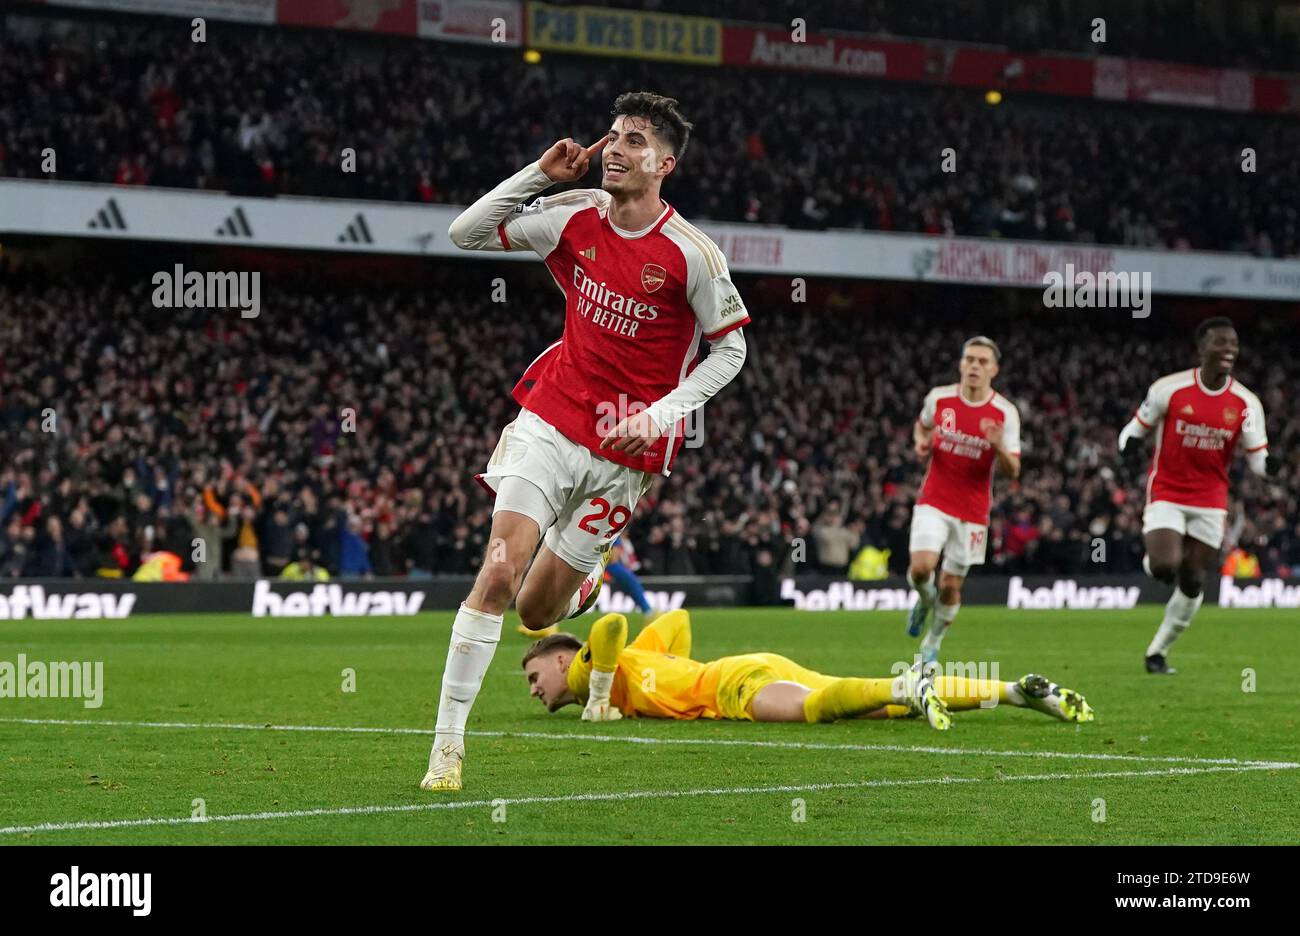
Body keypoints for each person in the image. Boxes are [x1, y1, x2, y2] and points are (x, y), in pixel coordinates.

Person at [423, 92, 751, 791]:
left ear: (664, 162)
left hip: (627, 456)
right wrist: (539, 176)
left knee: (536, 613)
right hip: (552, 419)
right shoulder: (574, 216)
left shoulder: (693, 254)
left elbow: (731, 351)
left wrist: (665, 413)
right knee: (498, 573)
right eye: (612, 135)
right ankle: (446, 751)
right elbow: (465, 233)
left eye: (633, 139)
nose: (616, 148)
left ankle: (588, 582)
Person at [523, 610, 1094, 728]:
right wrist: (671, 659)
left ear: (561, 658)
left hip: (729, 685)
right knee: (876, 707)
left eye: (533, 676)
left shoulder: (584, 672)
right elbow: (676, 616)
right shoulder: (638, 662)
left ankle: (907, 684)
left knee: (805, 713)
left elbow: (610, 625)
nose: (534, 690)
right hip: (751, 663)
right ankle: (1016, 691)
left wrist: (596, 694)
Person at [1118, 317, 1271, 674]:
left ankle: (1157, 652)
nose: (1229, 349)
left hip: (1211, 500)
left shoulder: (1246, 403)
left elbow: (1259, 459)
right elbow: (1135, 427)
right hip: (1168, 492)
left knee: (1193, 579)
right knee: (1165, 567)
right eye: (1221, 342)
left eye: (1233, 344)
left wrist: (1272, 467)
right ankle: (1153, 561)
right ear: (1202, 348)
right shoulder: (1168, 390)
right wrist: (1125, 444)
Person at [906, 337, 1021, 662]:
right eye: (969, 359)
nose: (974, 366)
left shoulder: (1005, 413)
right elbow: (922, 427)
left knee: (951, 586)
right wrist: (921, 443)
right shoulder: (939, 398)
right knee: (920, 568)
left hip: (972, 511)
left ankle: (933, 642)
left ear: (994, 370)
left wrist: (998, 446)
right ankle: (923, 602)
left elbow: (1013, 471)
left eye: (982, 362)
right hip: (934, 500)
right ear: (960, 364)